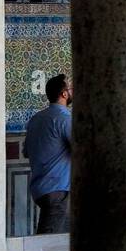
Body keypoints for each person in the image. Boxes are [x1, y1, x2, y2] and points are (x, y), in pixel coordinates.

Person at [24, 74, 72, 234]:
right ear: (64, 94)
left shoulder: (36, 119)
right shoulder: (64, 119)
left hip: (40, 189)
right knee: (48, 241)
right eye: (71, 88)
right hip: (58, 189)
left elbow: (26, 152)